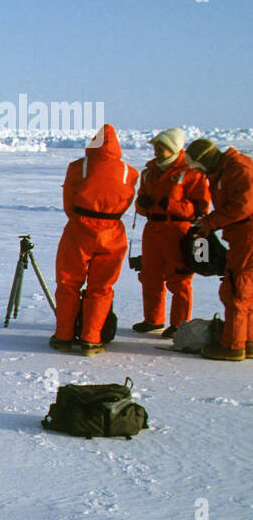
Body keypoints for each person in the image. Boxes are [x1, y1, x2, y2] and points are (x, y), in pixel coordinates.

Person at [50, 124, 139, 355]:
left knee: (68, 283)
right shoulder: (130, 172)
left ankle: (63, 337)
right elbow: (127, 201)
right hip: (112, 232)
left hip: (79, 229)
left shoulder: (78, 167)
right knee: (101, 287)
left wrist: (81, 221)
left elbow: (68, 202)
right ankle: (91, 340)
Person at [131, 127, 209, 337]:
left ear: (173, 148)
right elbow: (140, 204)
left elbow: (201, 208)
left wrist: (172, 205)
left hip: (178, 231)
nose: (156, 150)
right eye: (155, 146)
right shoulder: (148, 173)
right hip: (153, 229)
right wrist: (142, 205)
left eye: (161, 147)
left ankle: (179, 324)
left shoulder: (192, 172)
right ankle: (153, 320)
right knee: (150, 276)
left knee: (180, 277)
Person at [185, 138, 253, 361]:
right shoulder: (228, 169)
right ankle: (248, 341)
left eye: (197, 167)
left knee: (236, 290)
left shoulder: (238, 170)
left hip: (248, 238)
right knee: (247, 292)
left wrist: (211, 222)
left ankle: (232, 346)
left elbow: (243, 206)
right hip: (242, 236)